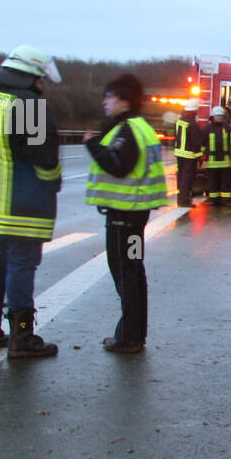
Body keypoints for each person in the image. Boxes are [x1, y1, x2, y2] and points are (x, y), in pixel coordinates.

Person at [0, 44, 63, 359]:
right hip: (21, 199)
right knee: (22, 262)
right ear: (33, 74)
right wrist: (52, 184)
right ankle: (22, 338)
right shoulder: (29, 104)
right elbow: (45, 158)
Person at [83, 73, 169, 353]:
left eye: (110, 96)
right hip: (134, 214)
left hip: (125, 217)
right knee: (132, 271)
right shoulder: (141, 127)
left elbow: (118, 165)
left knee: (126, 272)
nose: (104, 102)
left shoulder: (128, 130)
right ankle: (132, 334)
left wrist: (93, 146)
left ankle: (129, 336)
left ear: (125, 101)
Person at [173, 98, 203, 207]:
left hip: (179, 153)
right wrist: (199, 157)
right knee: (187, 178)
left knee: (181, 178)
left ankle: (180, 200)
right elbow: (196, 142)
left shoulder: (179, 120)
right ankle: (185, 201)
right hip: (189, 155)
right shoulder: (193, 124)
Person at [203, 104, 231, 205]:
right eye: (217, 116)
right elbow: (202, 144)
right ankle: (214, 200)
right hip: (212, 162)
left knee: (226, 183)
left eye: (221, 116)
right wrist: (201, 158)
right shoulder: (206, 129)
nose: (219, 117)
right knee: (213, 182)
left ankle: (225, 200)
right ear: (213, 117)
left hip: (226, 162)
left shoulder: (228, 128)